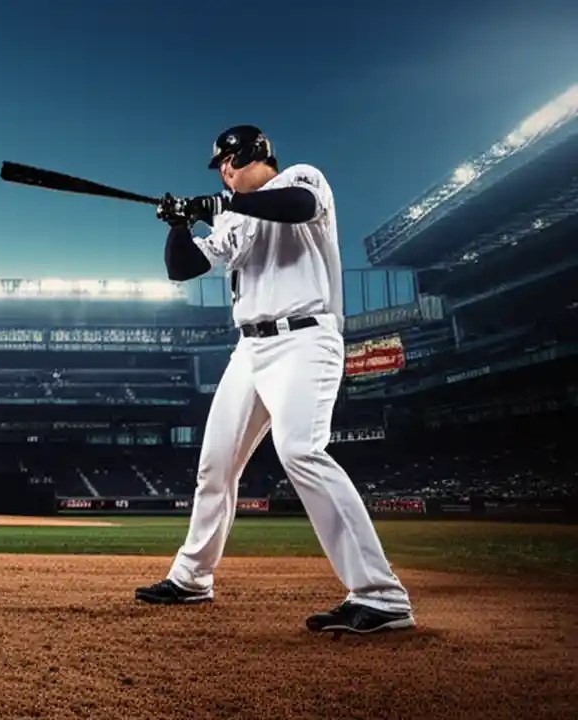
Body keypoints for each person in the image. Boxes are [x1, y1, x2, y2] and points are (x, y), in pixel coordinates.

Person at [134, 125, 415, 635]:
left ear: (255, 155)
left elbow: (297, 207)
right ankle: (192, 578)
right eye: (219, 165)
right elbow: (183, 268)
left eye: (229, 161)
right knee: (215, 464)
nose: (224, 170)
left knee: (301, 451)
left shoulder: (300, 178)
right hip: (250, 349)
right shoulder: (233, 217)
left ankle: (381, 595)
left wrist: (217, 204)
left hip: (304, 339)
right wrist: (179, 224)